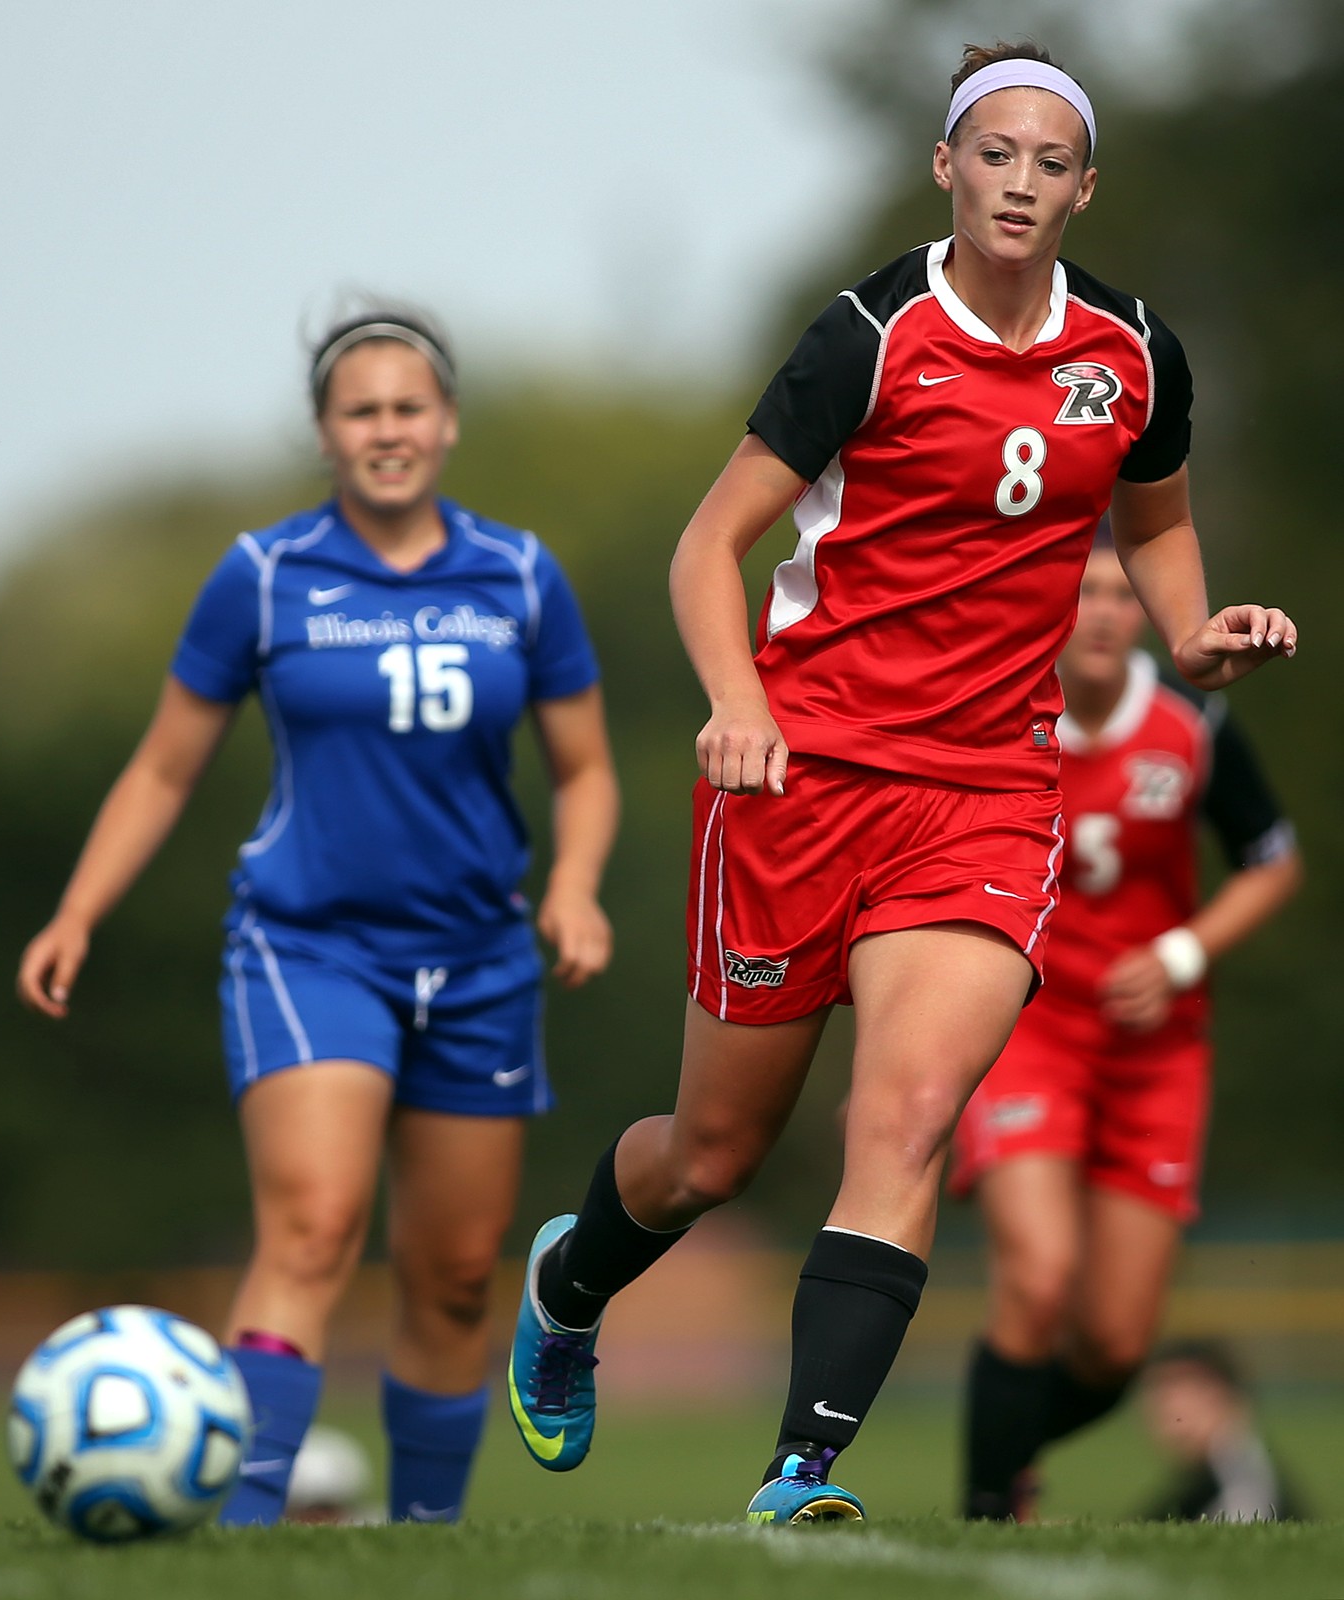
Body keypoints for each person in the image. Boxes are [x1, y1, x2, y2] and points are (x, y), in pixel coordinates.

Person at [503, 39, 1298, 1524]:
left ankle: (799, 1471)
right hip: (798, 779)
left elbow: (1159, 520)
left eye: (1048, 161)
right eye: (992, 152)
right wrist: (737, 706)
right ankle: (567, 1285)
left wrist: (1198, 636)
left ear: (1082, 189)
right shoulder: (868, 334)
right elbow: (704, 547)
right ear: (946, 165)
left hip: (988, 792)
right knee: (712, 1155)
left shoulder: (1130, 354)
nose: (1018, 181)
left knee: (910, 1115)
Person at [16, 303, 619, 1526]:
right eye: (360, 411)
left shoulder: (516, 571)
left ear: (445, 423)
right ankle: (242, 1530)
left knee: (453, 1276)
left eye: (407, 407)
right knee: (314, 1223)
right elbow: (162, 767)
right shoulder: (263, 574)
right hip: (308, 947)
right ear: (325, 432)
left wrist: (569, 887)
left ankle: (423, 1536)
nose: (386, 430)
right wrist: (76, 909)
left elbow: (584, 769)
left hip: (480, 960)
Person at [950, 531, 1302, 1521]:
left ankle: (1003, 1449)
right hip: (1027, 1032)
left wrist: (1181, 953)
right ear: (1047, 609)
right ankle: (986, 1509)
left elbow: (1272, 860)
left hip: (1156, 1055)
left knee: (1110, 1340)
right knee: (1037, 1272)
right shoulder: (991, 719)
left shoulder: (1189, 724)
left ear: (1142, 612)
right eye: (1081, 591)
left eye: (1119, 594)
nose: (1101, 611)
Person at [1137, 1339, 1307, 1522]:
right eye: (1158, 1392)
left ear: (1230, 1397)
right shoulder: (1209, 1480)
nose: (1170, 1408)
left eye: (1189, 1390)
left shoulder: (1243, 1488)